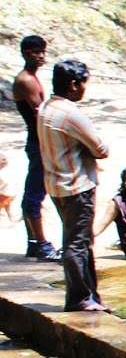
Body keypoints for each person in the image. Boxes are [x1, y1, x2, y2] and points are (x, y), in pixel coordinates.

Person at [37, 59, 111, 311]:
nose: (84, 90)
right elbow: (101, 148)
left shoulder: (46, 107)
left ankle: (90, 295)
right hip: (76, 186)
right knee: (77, 243)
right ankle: (80, 298)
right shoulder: (69, 113)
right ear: (73, 84)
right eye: (83, 85)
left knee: (79, 240)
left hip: (56, 186)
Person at [13, 35, 61, 260]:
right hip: (38, 143)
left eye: (43, 51)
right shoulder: (26, 80)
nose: (41, 56)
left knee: (36, 192)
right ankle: (40, 244)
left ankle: (34, 243)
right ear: (24, 53)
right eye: (35, 52)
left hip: (39, 141)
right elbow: (40, 113)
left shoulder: (32, 77)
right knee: (35, 194)